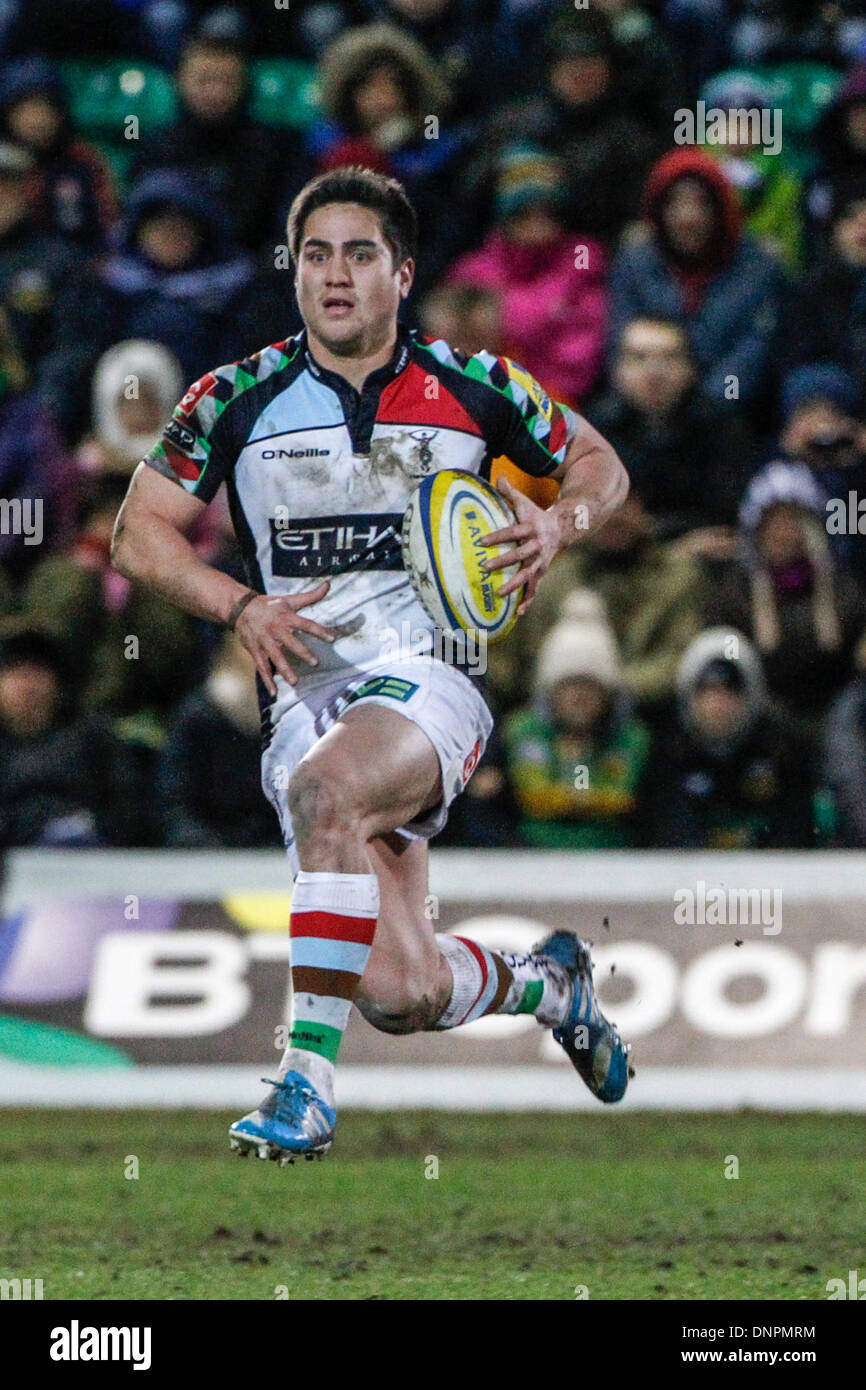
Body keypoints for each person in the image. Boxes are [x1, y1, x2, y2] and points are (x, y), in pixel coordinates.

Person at [111, 165, 632, 1162]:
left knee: (328, 793)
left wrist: (557, 524)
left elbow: (599, 465)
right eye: (315, 255)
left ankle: (302, 1086)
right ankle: (549, 983)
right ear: (292, 271)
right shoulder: (232, 396)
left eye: (358, 255)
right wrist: (241, 603)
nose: (334, 276)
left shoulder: (477, 384)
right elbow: (142, 537)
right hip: (304, 694)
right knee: (404, 992)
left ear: (401, 272)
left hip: (431, 677)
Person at [608, 147, 788, 411]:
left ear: (721, 209)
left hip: (734, 411)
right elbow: (620, 343)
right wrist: (654, 394)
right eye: (674, 203)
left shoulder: (759, 267)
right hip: (645, 407)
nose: (688, 217)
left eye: (702, 202)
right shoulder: (635, 262)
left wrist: (706, 407)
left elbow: (754, 352)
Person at [446, 145, 607, 407]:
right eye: (523, 212)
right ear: (505, 216)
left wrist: (507, 326)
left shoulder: (582, 257)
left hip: (563, 405)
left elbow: (582, 357)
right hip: (484, 404)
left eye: (547, 210)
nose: (537, 220)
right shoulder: (471, 271)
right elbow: (454, 355)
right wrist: (548, 317)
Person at [640, 627, 814, 849]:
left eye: (730, 690)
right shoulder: (669, 753)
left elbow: (794, 832)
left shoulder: (781, 751)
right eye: (708, 691)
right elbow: (662, 833)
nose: (719, 705)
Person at [502, 590, 651, 848]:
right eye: (570, 685)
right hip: (529, 860)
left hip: (617, 864)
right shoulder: (518, 732)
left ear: (607, 695)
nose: (579, 697)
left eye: (590, 686)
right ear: (551, 692)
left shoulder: (634, 739)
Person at [585, 315, 754, 541]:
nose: (654, 372)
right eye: (639, 357)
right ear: (618, 370)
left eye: (669, 358)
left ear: (690, 368)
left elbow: (724, 518)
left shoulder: (721, 428)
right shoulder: (595, 429)